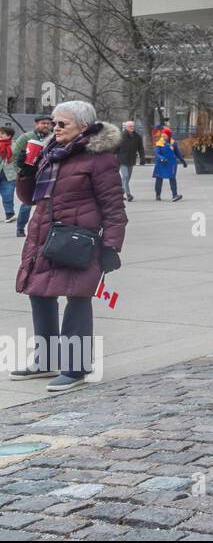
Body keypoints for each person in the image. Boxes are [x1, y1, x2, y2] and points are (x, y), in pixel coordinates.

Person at [10, 101, 126, 392]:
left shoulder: (99, 158)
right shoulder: (49, 152)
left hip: (77, 239)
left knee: (77, 297)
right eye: (54, 122)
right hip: (43, 235)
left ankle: (75, 368)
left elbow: (114, 206)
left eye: (62, 124)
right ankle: (45, 360)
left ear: (83, 127)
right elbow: (29, 198)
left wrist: (111, 246)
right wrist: (27, 168)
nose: (55, 128)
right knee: (39, 293)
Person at [12, 113, 52, 237]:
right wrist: (21, 173)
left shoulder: (53, 138)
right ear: (36, 124)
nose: (46, 125)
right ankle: (20, 228)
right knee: (27, 204)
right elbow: (15, 156)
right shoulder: (26, 137)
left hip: (47, 175)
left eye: (48, 123)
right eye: (43, 123)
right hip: (30, 175)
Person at [152, 127, 187, 201]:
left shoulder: (173, 143)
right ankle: (158, 195)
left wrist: (183, 162)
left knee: (172, 178)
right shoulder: (159, 143)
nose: (163, 136)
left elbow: (178, 154)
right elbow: (157, 153)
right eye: (162, 135)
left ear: (168, 135)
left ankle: (175, 195)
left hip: (171, 163)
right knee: (159, 179)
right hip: (161, 163)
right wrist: (162, 158)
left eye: (165, 135)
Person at [116, 120, 146, 203]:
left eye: (133, 126)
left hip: (132, 160)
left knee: (127, 178)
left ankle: (120, 194)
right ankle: (128, 195)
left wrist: (142, 158)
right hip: (122, 160)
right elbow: (115, 149)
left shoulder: (137, 137)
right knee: (125, 176)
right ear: (126, 127)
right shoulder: (120, 136)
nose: (132, 128)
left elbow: (140, 148)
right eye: (130, 126)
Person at [0, 126, 16, 223]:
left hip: (9, 174)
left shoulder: (14, 145)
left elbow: (17, 158)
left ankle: (10, 214)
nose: (0, 135)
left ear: (9, 135)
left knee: (8, 195)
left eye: (2, 133)